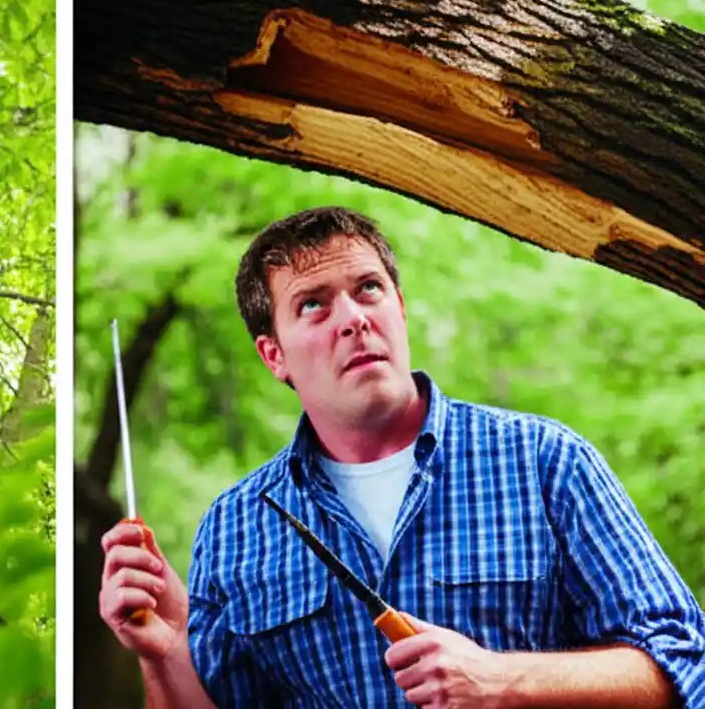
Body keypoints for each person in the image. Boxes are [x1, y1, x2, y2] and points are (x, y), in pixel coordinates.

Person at [98, 207, 705, 707]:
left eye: (368, 289)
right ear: (273, 355)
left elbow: (684, 663)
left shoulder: (546, 462)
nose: (354, 320)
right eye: (313, 304)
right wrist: (168, 650)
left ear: (400, 308)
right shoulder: (234, 529)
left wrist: (501, 680)